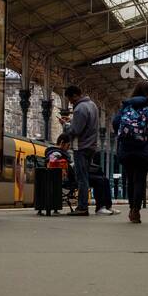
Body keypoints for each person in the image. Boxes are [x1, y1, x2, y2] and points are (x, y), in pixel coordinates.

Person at [112, 82, 148, 223]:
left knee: (130, 179)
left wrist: (123, 137)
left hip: (127, 148)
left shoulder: (126, 105)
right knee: (139, 179)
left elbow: (115, 122)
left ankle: (131, 208)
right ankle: (136, 210)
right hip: (144, 149)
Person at [60, 85, 99, 216]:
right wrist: (73, 121)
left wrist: (65, 126)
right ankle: (83, 206)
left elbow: (76, 131)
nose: (71, 102)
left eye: (70, 99)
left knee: (81, 177)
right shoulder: (92, 105)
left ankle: (82, 207)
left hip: (81, 147)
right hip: (91, 146)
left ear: (75, 95)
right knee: (85, 176)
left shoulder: (80, 108)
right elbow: (85, 124)